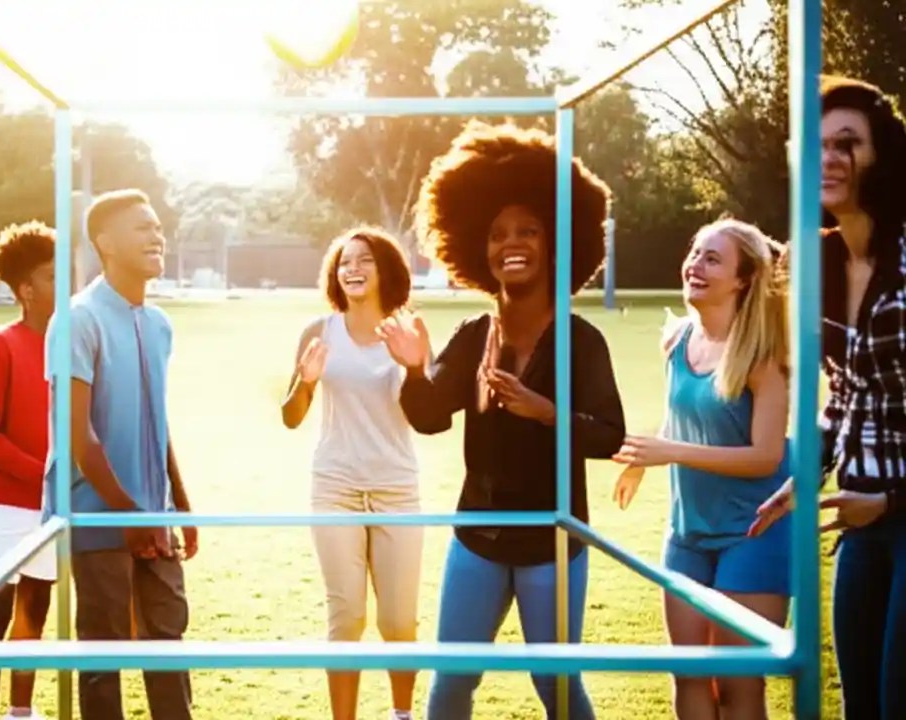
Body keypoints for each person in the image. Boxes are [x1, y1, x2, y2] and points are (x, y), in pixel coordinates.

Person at [377, 121, 624, 720]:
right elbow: (431, 418)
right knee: (451, 684)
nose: (510, 243)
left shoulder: (581, 341)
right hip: (478, 541)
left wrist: (545, 413)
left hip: (553, 543)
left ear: (558, 242)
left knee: (556, 686)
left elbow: (610, 435)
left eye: (528, 231)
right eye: (496, 234)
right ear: (476, 250)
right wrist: (412, 370)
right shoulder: (472, 337)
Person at [753, 74, 906, 718]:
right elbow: (845, 395)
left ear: (883, 157)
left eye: (849, 143)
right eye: (818, 146)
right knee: (858, 705)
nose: (831, 159)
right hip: (860, 518)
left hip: (893, 505)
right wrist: (805, 469)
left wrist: (892, 500)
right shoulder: (817, 262)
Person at [612, 218, 791, 719]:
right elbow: (683, 415)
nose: (695, 264)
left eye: (713, 259)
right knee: (689, 675)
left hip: (753, 534)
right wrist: (642, 462)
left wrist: (670, 453)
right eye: (695, 252)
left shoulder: (763, 356)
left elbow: (766, 456)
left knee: (737, 686)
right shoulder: (678, 340)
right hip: (688, 532)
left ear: (743, 280)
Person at [44, 189, 197, 720]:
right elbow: (77, 436)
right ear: (104, 243)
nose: (158, 235)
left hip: (154, 518)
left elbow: (157, 424)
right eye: (142, 227)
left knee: (168, 649)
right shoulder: (77, 320)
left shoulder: (158, 325)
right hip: (98, 516)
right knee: (102, 658)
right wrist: (127, 515)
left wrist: (179, 502)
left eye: (158, 226)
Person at [280, 227, 423, 720]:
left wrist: (417, 365)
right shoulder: (319, 332)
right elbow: (292, 414)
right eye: (344, 262)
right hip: (335, 485)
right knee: (347, 616)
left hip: (396, 487)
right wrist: (306, 380)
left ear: (386, 269)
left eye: (363, 260)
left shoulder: (407, 330)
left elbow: (427, 413)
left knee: (399, 619)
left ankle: (402, 714)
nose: (352, 269)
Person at [0, 221, 59, 720]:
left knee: (34, 613)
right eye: (49, 276)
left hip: (49, 507)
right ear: (26, 289)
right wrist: (44, 475)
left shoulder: (70, 346)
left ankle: (20, 713)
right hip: (1, 503)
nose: (62, 283)